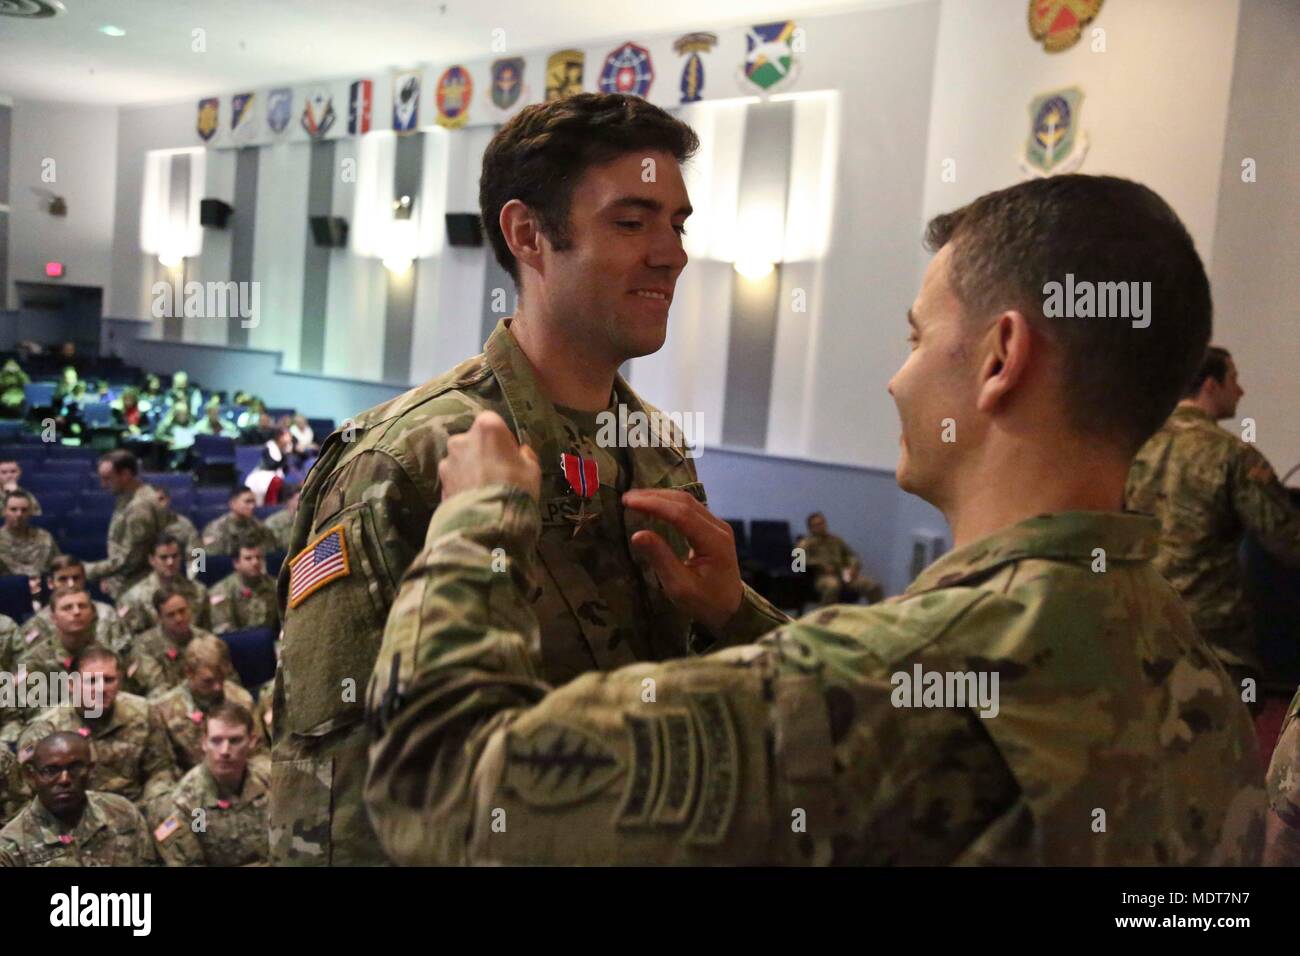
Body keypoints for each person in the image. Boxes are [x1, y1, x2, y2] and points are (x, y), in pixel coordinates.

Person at [363, 174, 1265, 866]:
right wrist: (738, 621)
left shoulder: (880, 680)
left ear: (1001, 358)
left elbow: (442, 792)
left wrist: (476, 524)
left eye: (916, 338)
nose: (897, 377)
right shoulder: (1202, 678)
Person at [274, 92, 786, 866]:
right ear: (529, 235)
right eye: (631, 220)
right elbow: (326, 801)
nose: (671, 252)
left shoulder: (654, 449)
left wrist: (730, 615)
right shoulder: (406, 459)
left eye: (677, 224)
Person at [1126, 345, 1300, 700]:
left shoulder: (1136, 446)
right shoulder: (1232, 455)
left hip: (1138, 633)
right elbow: (1288, 539)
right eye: (1233, 379)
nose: (1241, 390)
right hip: (1212, 646)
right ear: (1210, 385)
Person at [18, 646, 176, 816]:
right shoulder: (46, 729)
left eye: (109, 680)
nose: (101, 689)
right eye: (91, 681)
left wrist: (151, 806)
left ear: (120, 682)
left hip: (135, 809)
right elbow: (30, 790)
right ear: (71, 684)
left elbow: (160, 769)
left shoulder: (144, 712)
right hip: (72, 815)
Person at [0, 731, 159, 866]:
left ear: (91, 770)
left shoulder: (122, 812)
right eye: (51, 770)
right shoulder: (11, 845)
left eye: (75, 768)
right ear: (32, 775)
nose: (64, 779)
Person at [154, 702, 270, 866]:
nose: (224, 751)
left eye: (235, 740)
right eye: (216, 741)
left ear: (252, 741)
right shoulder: (186, 804)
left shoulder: (271, 783)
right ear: (203, 742)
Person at [0, 586, 104, 741]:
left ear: (93, 613)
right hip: (52, 735)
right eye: (67, 608)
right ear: (53, 617)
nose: (76, 612)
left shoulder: (105, 657)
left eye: (82, 606)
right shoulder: (34, 662)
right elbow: (35, 716)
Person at [150, 636, 259, 772]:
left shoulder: (241, 699)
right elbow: (162, 767)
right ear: (189, 672)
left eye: (222, 678)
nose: (218, 687)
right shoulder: (163, 711)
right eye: (208, 681)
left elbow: (258, 752)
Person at [84, 450, 169, 599]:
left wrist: (88, 570)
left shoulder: (139, 508)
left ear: (125, 474)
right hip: (128, 581)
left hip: (135, 588)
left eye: (107, 479)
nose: (103, 485)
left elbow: (130, 560)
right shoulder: (131, 496)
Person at [126, 587, 223, 699]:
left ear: (190, 609)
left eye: (182, 611)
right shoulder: (144, 646)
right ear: (159, 618)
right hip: (169, 703)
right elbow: (156, 688)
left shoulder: (206, 639)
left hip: (210, 695)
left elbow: (226, 676)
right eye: (171, 615)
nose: (179, 618)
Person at [25, 556, 131, 657]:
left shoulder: (107, 613)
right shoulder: (39, 622)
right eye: (63, 579)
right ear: (50, 583)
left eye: (76, 578)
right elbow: (30, 662)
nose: (71, 584)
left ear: (84, 579)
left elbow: (123, 652)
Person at [116, 535, 211, 634]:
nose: (170, 562)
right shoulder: (133, 598)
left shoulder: (198, 591)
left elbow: (207, 633)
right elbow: (131, 641)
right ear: (151, 560)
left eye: (174, 556)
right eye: (163, 558)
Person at [796, 512, 883, 607]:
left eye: (822, 523)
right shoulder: (806, 543)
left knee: (872, 586)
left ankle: (876, 616)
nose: (821, 526)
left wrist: (853, 567)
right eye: (817, 525)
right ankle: (824, 618)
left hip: (843, 574)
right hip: (822, 577)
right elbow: (798, 562)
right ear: (810, 528)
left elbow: (851, 556)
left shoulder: (835, 540)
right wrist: (820, 565)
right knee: (833, 585)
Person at [208, 540, 279, 635]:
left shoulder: (276, 586)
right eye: (248, 558)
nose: (255, 562)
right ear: (236, 563)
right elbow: (225, 631)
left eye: (258, 557)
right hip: (239, 644)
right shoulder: (221, 591)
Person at [0, 490, 59, 581]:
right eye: (13, 509)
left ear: (30, 512)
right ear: (4, 511)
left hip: (42, 589)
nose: (19, 514)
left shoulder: (44, 538)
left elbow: (60, 564)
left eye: (24, 510)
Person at [201, 487, 278, 556]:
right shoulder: (216, 528)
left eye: (253, 502)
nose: (252, 506)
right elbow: (213, 559)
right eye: (247, 502)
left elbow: (270, 553)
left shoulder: (259, 527)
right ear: (233, 504)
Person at [152, 485, 199, 572]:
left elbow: (196, 554)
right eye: (152, 501)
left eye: (161, 499)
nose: (157, 504)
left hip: (178, 574)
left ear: (168, 500)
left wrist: (193, 579)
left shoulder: (184, 524)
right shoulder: (140, 525)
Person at [244, 428, 292, 505]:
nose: (290, 439)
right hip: (262, 475)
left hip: (275, 476)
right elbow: (271, 465)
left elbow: (285, 468)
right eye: (287, 436)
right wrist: (285, 455)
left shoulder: (284, 449)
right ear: (280, 437)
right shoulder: (269, 447)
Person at [264, 482, 299, 552]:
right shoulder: (274, 522)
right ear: (289, 501)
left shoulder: (307, 519)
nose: (303, 502)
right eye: (299, 499)